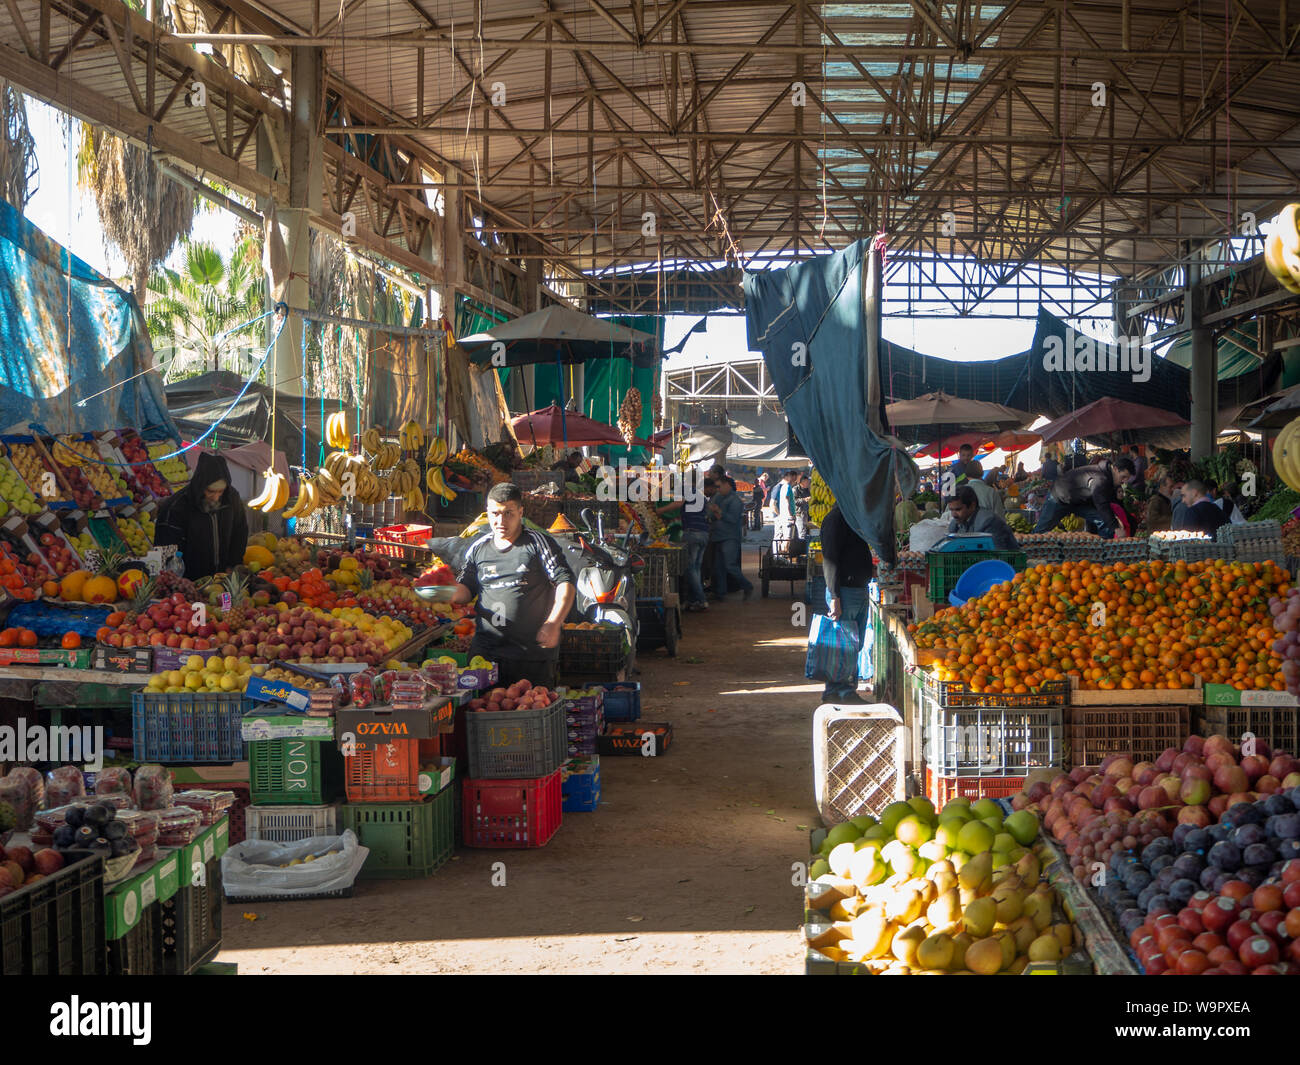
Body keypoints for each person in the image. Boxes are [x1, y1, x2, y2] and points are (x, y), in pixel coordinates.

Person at [452, 482, 576, 689]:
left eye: (508, 513)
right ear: (488, 513)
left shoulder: (537, 543)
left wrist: (554, 623)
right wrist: (441, 591)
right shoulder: (478, 548)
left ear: (520, 512)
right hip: (486, 653)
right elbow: (465, 588)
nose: (500, 521)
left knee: (530, 712)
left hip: (531, 655)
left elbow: (565, 581)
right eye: (495, 514)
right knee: (484, 711)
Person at [154, 452, 249, 581]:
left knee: (227, 601)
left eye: (220, 491)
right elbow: (165, 551)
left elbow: (240, 531)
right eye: (211, 491)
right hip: (189, 584)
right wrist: (179, 581)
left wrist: (233, 564)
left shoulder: (231, 498)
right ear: (200, 486)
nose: (216, 497)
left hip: (223, 580)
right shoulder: (176, 508)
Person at [819, 504, 875, 705]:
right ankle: (843, 692)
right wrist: (834, 596)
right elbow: (830, 559)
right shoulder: (835, 520)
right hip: (845, 592)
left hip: (857, 590)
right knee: (845, 645)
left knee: (852, 645)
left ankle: (838, 691)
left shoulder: (852, 517)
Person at [1033, 456, 1136, 539]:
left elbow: (1107, 503)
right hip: (1059, 497)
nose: (1125, 481)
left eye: (1127, 478)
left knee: (1104, 522)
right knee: (1040, 531)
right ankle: (1027, 551)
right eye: (1123, 477)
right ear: (1115, 469)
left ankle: (1104, 554)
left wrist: (1116, 519)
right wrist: (1116, 528)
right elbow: (1101, 503)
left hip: (1079, 502)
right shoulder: (1099, 478)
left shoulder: (1109, 479)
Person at [657, 475, 712, 612]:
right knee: (696, 569)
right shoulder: (698, 494)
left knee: (690, 568)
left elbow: (679, 503)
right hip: (704, 533)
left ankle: (701, 599)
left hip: (692, 534)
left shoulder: (683, 489)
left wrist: (660, 511)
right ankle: (694, 600)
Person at [708, 476, 753, 600]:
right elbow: (711, 514)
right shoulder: (718, 497)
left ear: (727, 484)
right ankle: (720, 593)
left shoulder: (735, 501)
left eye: (719, 486)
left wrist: (719, 512)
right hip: (718, 535)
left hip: (730, 537)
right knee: (719, 567)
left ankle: (747, 585)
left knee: (729, 565)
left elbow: (732, 519)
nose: (717, 489)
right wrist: (715, 513)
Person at [947, 485, 1019, 551]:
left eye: (958, 509)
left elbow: (998, 554)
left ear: (972, 506)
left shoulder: (988, 521)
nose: (954, 514)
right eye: (951, 510)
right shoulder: (955, 525)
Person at [771, 469, 799, 551]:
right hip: (785, 516)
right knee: (786, 537)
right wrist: (789, 514)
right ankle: (780, 555)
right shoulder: (785, 487)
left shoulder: (785, 487)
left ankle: (781, 555)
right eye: (793, 477)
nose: (794, 479)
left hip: (785, 516)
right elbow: (785, 501)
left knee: (785, 537)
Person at [795, 473, 812, 540]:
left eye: (808, 482)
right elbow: (794, 501)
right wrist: (805, 499)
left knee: (806, 531)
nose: (808, 483)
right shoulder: (795, 489)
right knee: (802, 532)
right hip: (799, 513)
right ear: (802, 482)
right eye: (807, 482)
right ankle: (801, 546)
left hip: (807, 513)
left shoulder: (807, 490)